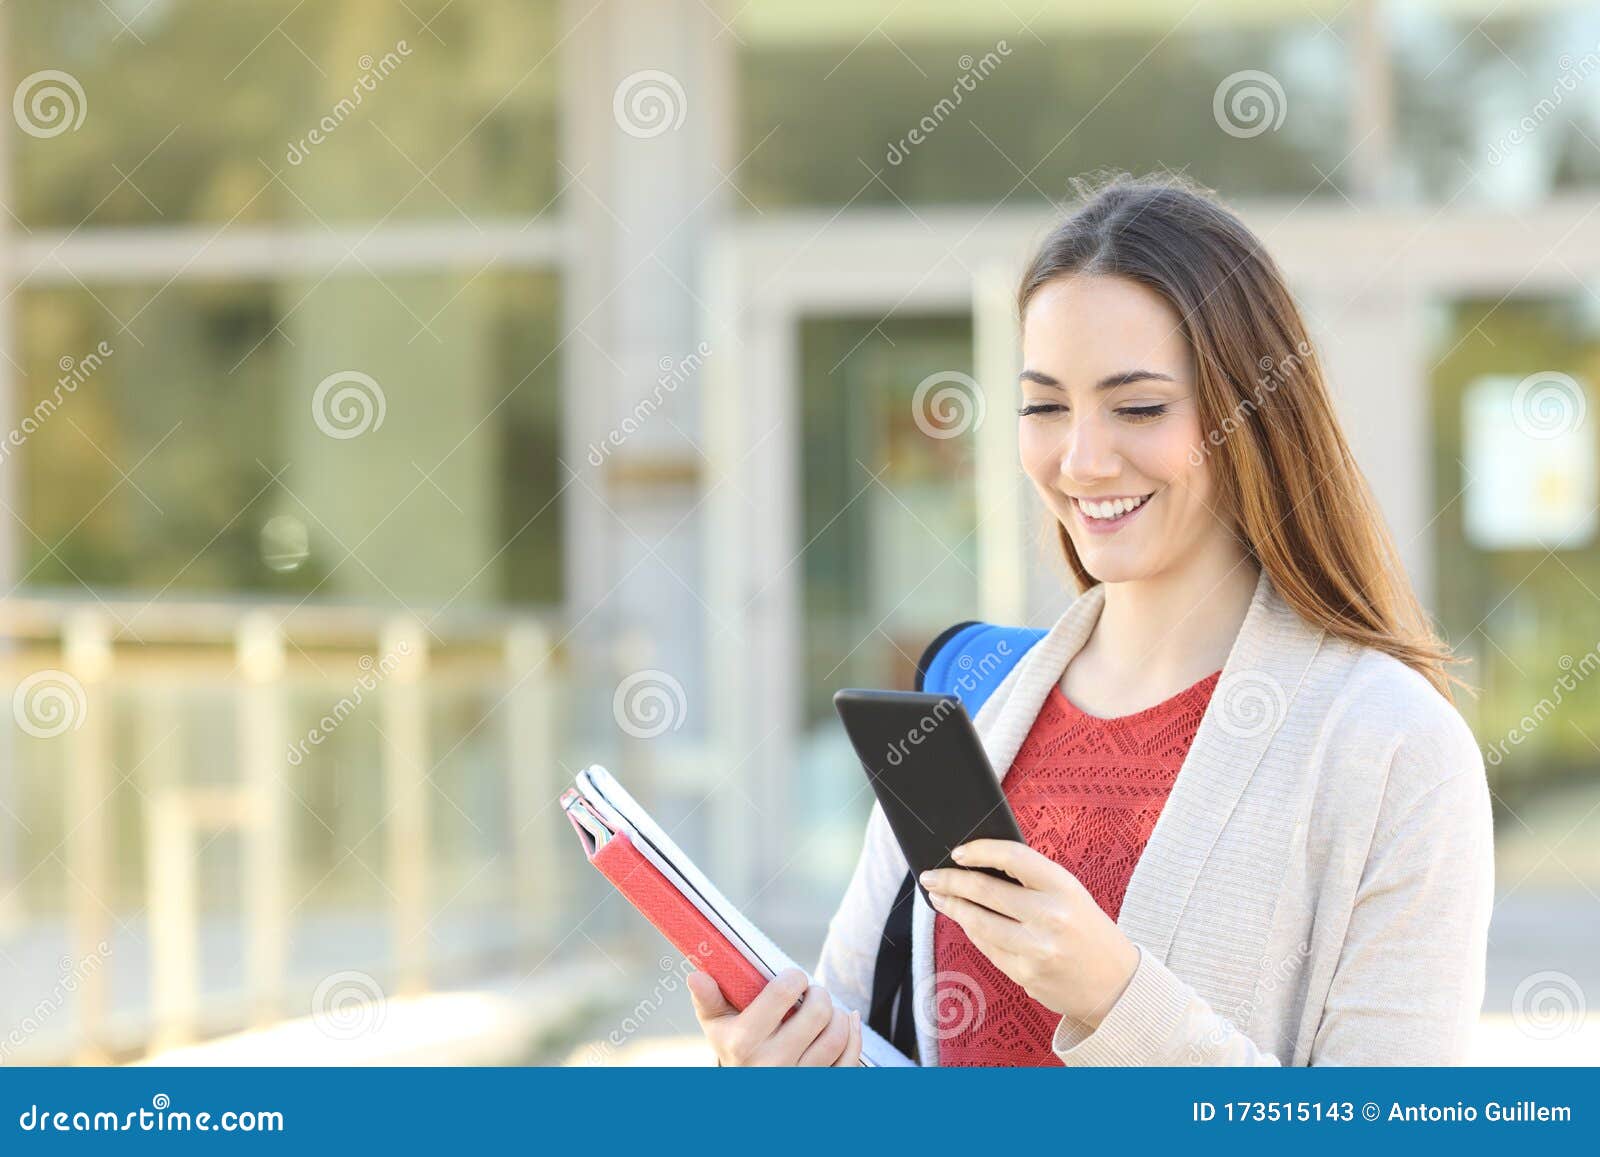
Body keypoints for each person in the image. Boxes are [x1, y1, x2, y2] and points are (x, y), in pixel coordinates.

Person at [687, 172, 1493, 1067]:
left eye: (1139, 407)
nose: (1081, 458)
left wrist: (1116, 998)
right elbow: (864, 1033)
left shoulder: (1390, 744)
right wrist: (790, 1064)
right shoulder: (977, 700)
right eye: (1045, 406)